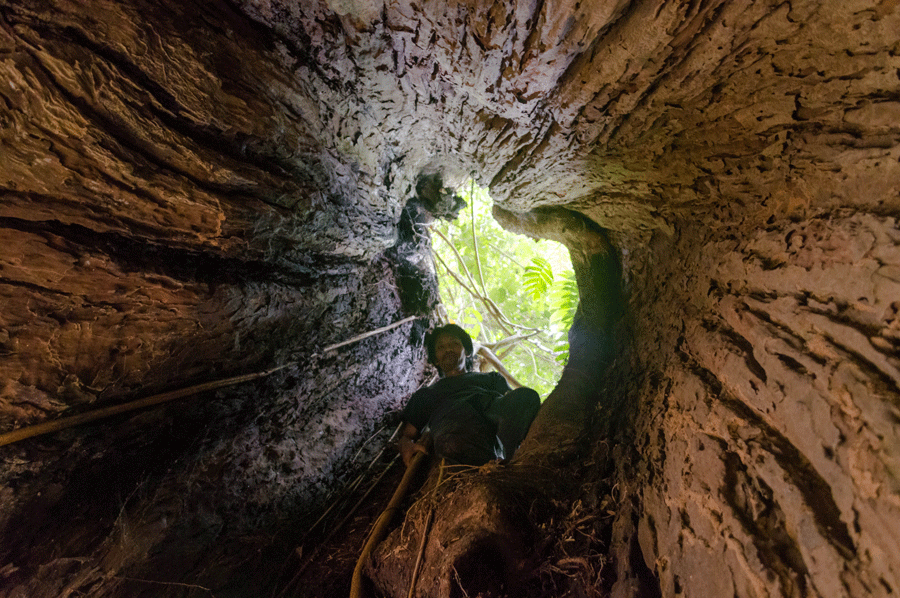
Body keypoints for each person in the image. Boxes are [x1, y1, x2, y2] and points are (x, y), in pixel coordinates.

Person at [397, 324, 541, 467]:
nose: (448, 349)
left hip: (489, 421)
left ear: (466, 351)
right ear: (435, 360)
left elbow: (516, 407)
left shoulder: (491, 379)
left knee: (527, 396)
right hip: (454, 432)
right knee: (453, 437)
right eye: (441, 347)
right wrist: (406, 446)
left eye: (454, 343)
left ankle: (509, 460)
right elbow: (408, 435)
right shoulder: (425, 395)